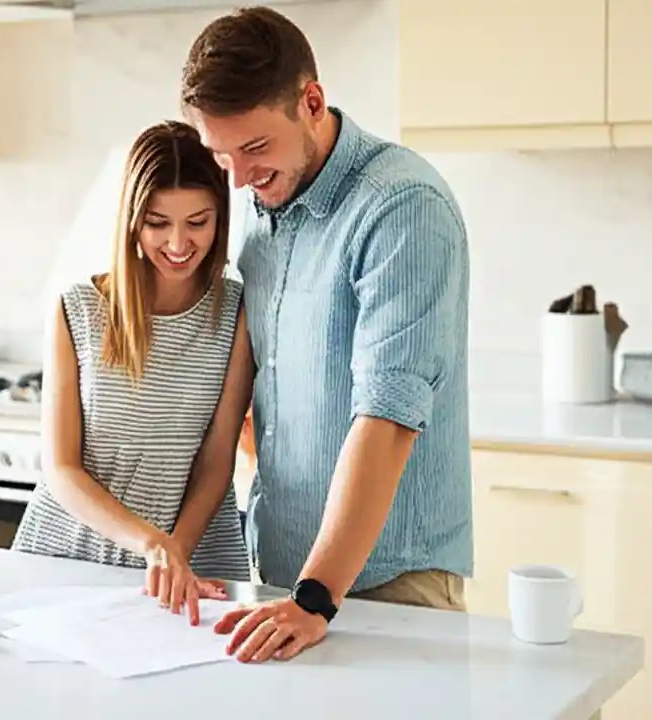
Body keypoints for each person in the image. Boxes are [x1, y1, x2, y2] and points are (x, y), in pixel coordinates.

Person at [178, 8, 473, 662]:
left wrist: (316, 597)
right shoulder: (263, 209)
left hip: (384, 589)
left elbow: (386, 417)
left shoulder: (401, 209)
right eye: (220, 156)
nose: (239, 178)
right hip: (282, 584)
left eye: (255, 148)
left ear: (312, 101)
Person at [11, 120, 253, 626]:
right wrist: (151, 545)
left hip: (192, 564)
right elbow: (62, 468)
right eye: (158, 222)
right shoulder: (77, 309)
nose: (179, 243)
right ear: (132, 220)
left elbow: (216, 459)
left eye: (199, 222)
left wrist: (175, 552)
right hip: (72, 555)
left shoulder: (235, 312)